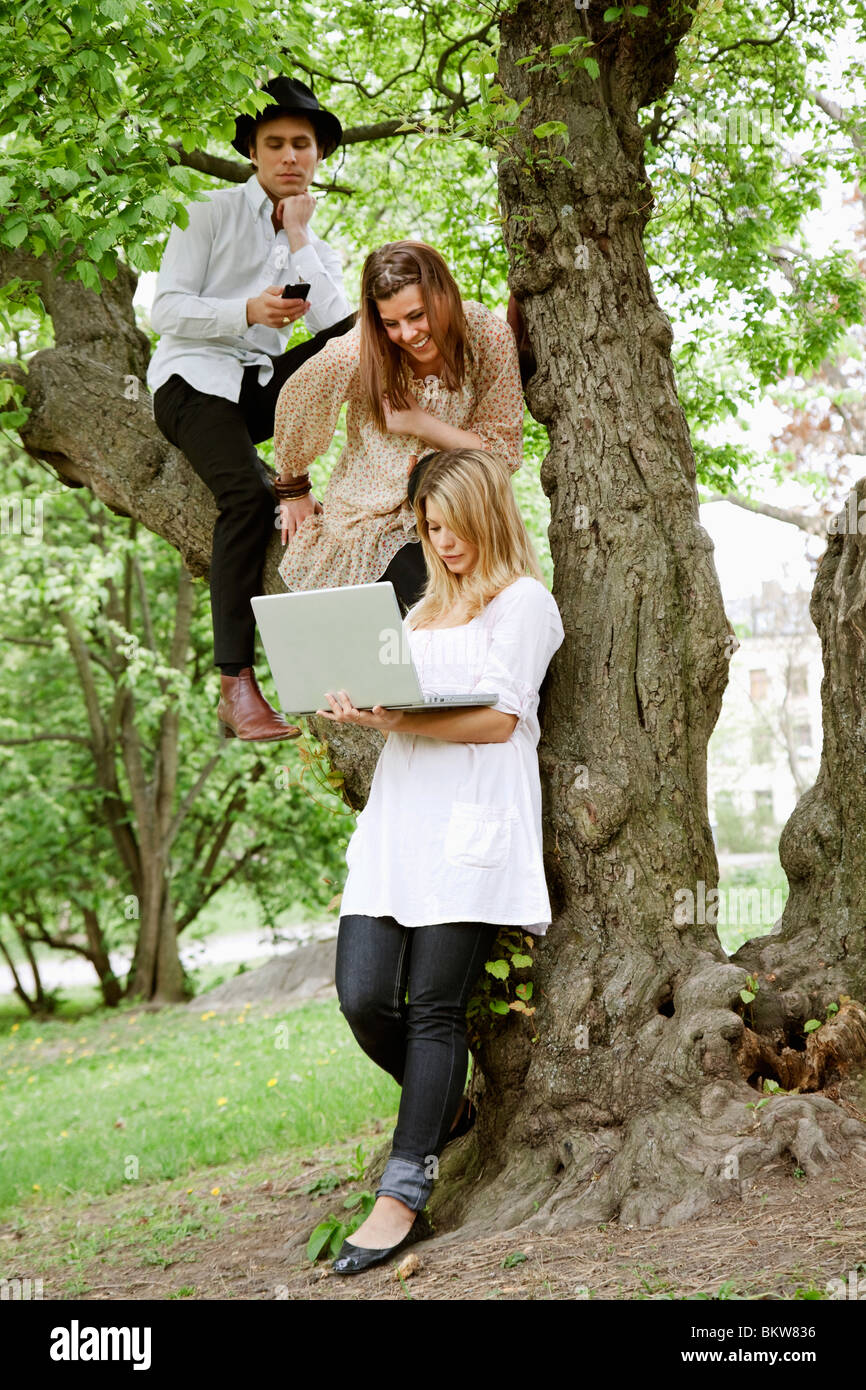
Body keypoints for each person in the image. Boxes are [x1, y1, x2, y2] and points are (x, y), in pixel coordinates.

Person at [313, 447, 565, 1275]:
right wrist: (354, 701)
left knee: (432, 1012)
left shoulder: (525, 604)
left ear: (490, 516)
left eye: (455, 527)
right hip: (398, 825)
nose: (443, 542)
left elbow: (499, 720)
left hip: (471, 823)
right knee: (361, 996)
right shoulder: (420, 610)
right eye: (430, 528)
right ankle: (445, 1104)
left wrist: (397, 723)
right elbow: (398, 700)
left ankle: (402, 1193)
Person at [147, 76, 356, 741]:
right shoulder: (207, 211)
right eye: (275, 144)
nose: (290, 156)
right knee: (245, 500)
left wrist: (298, 238)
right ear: (254, 152)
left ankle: (308, 480)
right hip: (192, 384)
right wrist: (246, 310)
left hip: (256, 393)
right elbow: (165, 309)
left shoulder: (313, 242)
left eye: (302, 144)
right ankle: (235, 685)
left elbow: (343, 334)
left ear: (318, 154)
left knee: (354, 340)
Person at [272, 241, 524, 613]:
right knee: (432, 615)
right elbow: (299, 397)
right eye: (392, 323)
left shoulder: (487, 338)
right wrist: (293, 486)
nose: (407, 334)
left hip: (456, 515)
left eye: (417, 315)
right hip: (370, 521)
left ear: (444, 294)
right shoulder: (358, 351)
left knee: (495, 613)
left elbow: (502, 454)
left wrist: (420, 423)